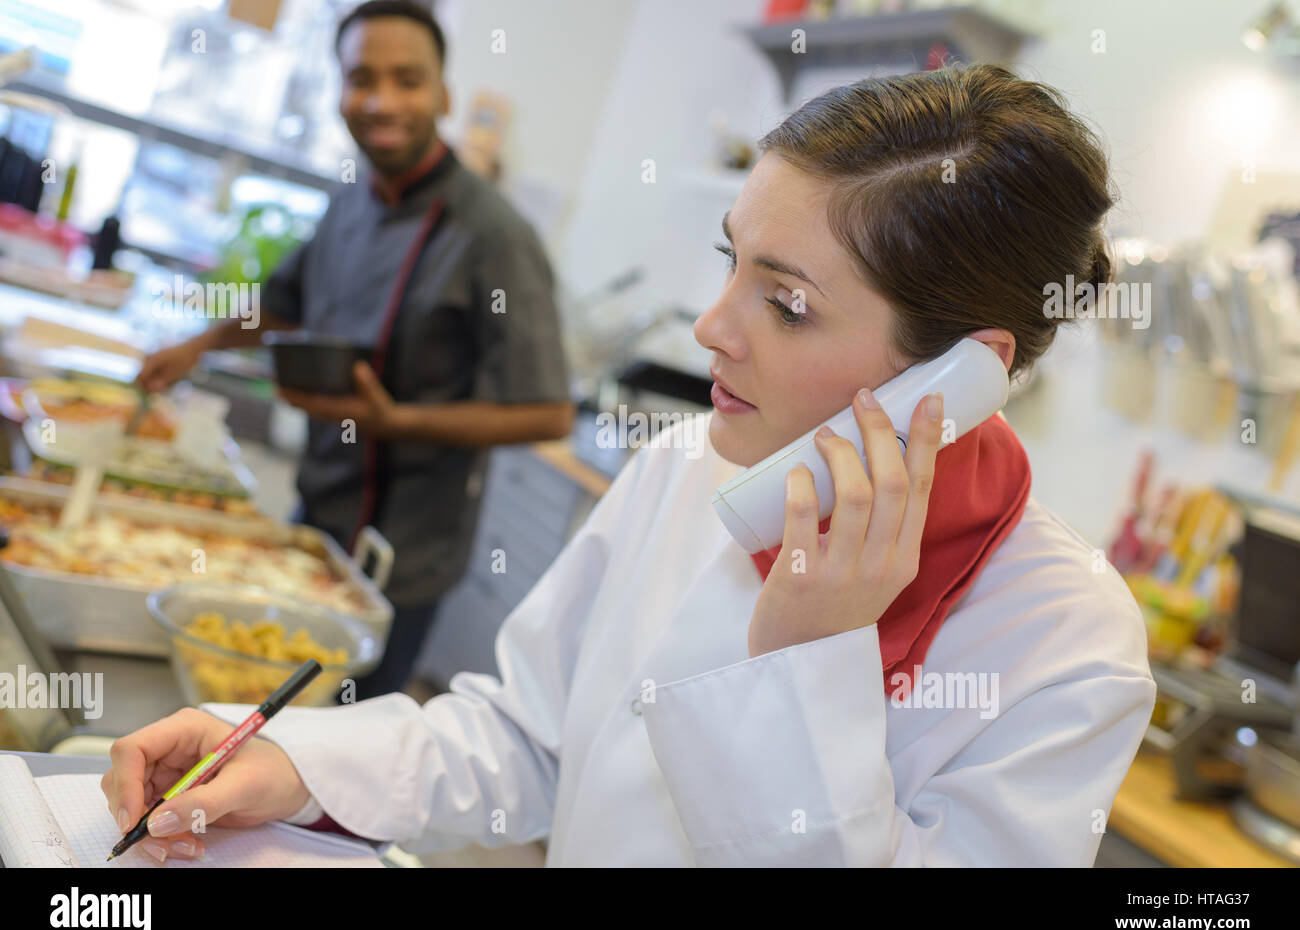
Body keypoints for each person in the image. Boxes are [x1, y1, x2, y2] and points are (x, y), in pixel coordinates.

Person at [107, 64, 1156, 866]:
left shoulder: (1067, 645)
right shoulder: (688, 468)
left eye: (785, 304)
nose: (712, 327)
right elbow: (524, 736)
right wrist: (294, 767)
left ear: (961, 375)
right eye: (728, 262)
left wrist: (801, 662)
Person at [137, 1, 575, 700]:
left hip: (402, 559)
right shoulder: (352, 202)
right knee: (256, 713)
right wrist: (197, 344)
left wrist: (393, 422)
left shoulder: (494, 234)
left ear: (443, 94)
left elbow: (550, 413)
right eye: (360, 78)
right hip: (317, 521)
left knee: (338, 756)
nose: (380, 101)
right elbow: (282, 303)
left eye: (407, 79)